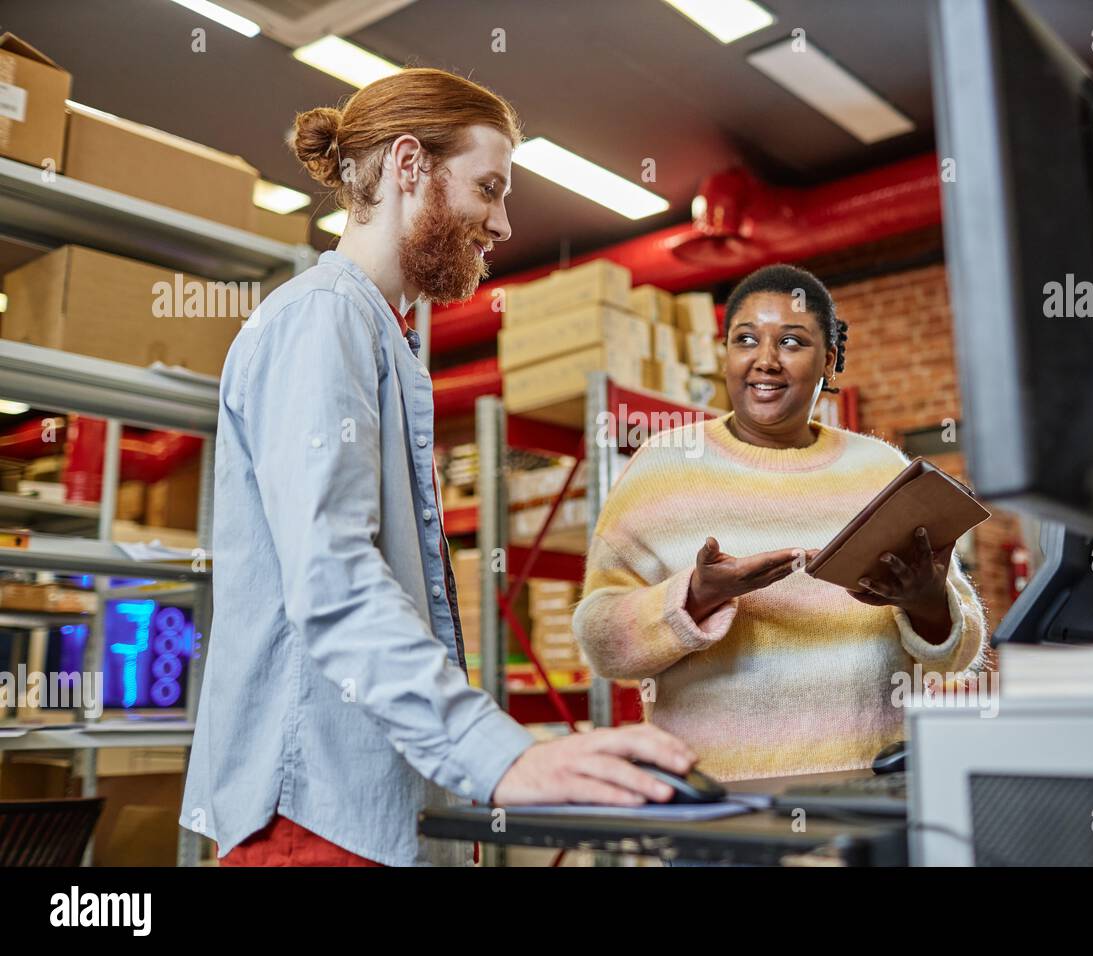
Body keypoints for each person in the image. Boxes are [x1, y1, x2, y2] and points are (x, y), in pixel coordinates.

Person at [180, 67, 695, 868]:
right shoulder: (323, 320)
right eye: (489, 188)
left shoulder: (383, 336)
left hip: (366, 807)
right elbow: (334, 581)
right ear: (410, 165)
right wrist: (501, 757)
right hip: (316, 814)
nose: (502, 222)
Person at [573, 264, 991, 782]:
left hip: (872, 795)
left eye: (791, 342)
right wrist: (694, 599)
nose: (764, 361)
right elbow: (599, 640)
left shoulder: (881, 470)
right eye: (745, 339)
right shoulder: (662, 466)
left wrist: (926, 602)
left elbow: (962, 651)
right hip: (720, 810)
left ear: (829, 362)